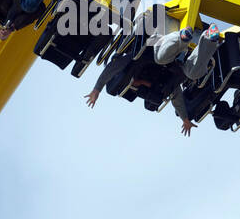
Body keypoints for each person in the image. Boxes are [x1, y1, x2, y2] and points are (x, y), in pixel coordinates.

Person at [85, 16, 221, 136]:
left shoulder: (132, 65)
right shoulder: (164, 86)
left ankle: (182, 36)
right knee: (193, 74)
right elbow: (177, 100)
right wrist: (185, 119)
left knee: (160, 59)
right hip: (181, 55)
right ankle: (209, 38)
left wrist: (97, 89)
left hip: (160, 43)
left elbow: (113, 68)